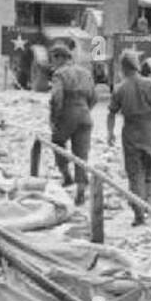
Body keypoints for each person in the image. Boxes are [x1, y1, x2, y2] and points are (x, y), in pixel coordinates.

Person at [107, 50, 151, 225]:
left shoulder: (120, 88)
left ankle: (138, 212)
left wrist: (110, 133)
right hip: (149, 129)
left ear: (123, 67)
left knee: (134, 173)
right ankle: (148, 203)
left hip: (130, 131)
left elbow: (111, 113)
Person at [48, 41, 96, 204]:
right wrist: (85, 109)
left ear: (59, 57)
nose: (52, 63)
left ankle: (66, 175)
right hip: (85, 114)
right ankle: (81, 189)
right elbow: (94, 97)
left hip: (68, 113)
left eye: (53, 59)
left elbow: (56, 97)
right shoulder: (85, 73)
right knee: (81, 154)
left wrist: (55, 118)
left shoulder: (59, 74)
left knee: (57, 142)